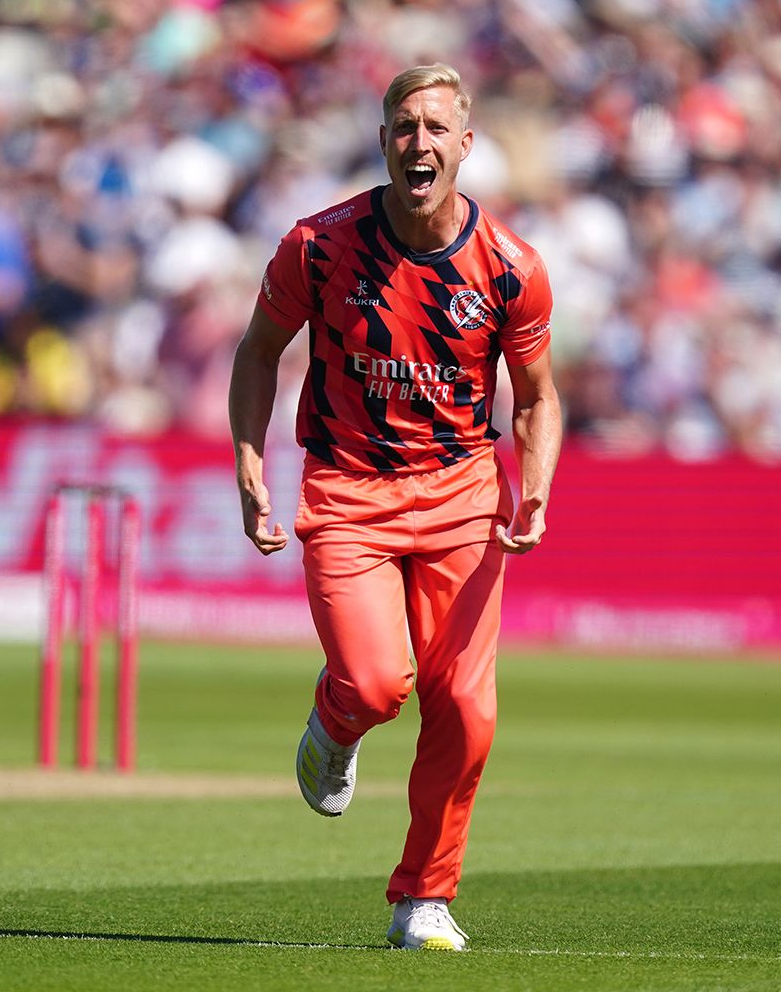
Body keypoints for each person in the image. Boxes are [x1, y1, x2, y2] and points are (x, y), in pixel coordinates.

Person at [228, 63, 561, 952]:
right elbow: (258, 351)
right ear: (383, 142)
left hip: (461, 495)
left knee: (466, 707)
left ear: (465, 144)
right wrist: (250, 462)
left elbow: (536, 396)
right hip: (348, 489)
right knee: (378, 684)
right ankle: (336, 720)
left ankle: (424, 896)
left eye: (436, 128)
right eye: (405, 127)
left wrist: (536, 486)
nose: (420, 143)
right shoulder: (318, 245)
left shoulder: (511, 267)